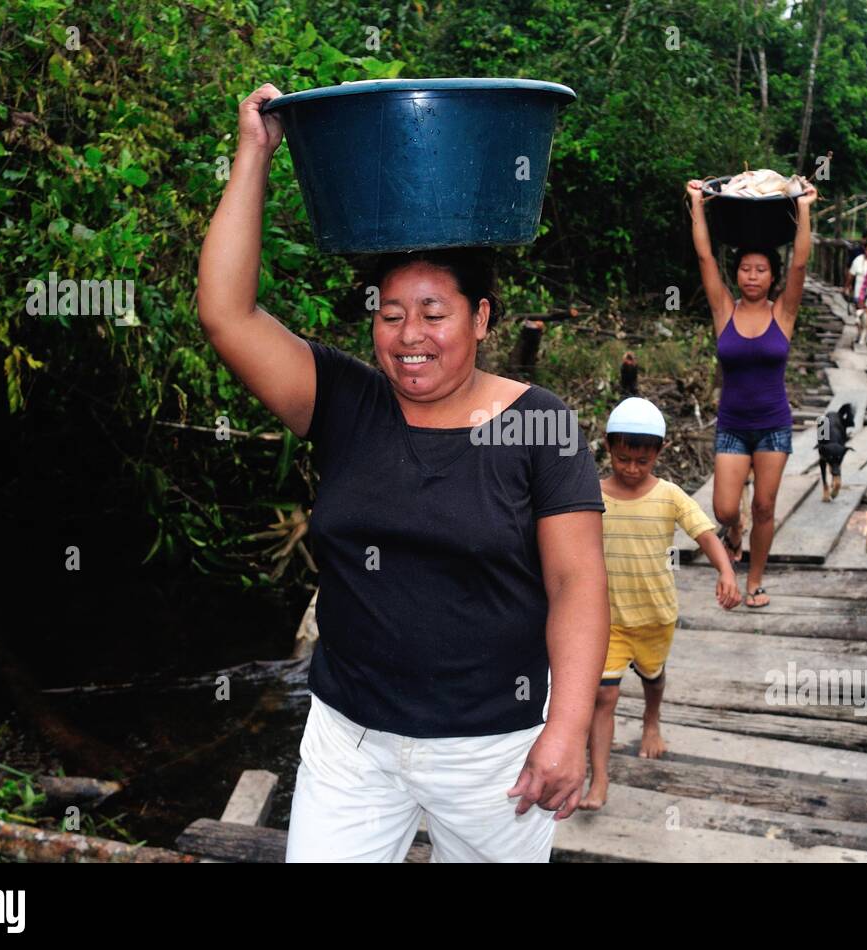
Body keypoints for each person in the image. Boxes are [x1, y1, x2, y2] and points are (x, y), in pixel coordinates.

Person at [197, 83, 610, 862]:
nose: (408, 335)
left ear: (482, 318)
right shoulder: (345, 402)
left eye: (433, 312)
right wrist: (254, 153)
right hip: (352, 744)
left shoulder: (540, 422)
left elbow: (578, 584)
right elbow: (226, 313)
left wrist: (567, 727)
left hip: (496, 751)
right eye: (389, 314)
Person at [579, 398, 740, 810]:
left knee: (653, 678)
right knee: (604, 695)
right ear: (607, 447)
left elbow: (706, 534)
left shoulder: (669, 495)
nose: (632, 469)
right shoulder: (591, 495)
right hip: (607, 618)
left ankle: (652, 721)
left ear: (660, 453)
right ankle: (599, 780)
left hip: (655, 615)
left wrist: (726, 571)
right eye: (623, 458)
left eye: (642, 460)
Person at [685, 176, 817, 608]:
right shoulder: (725, 310)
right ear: (737, 273)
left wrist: (804, 207)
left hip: (774, 424)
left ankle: (755, 580)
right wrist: (698, 204)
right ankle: (734, 531)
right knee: (725, 509)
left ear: (771, 276)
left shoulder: (784, 311)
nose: (752, 276)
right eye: (745, 269)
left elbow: (799, 263)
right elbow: (705, 256)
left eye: (761, 270)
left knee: (764, 505)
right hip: (733, 425)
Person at [845, 239, 867, 346]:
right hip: (859, 293)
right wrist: (848, 286)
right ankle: (860, 334)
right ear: (864, 249)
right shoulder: (858, 260)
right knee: (859, 315)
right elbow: (851, 274)